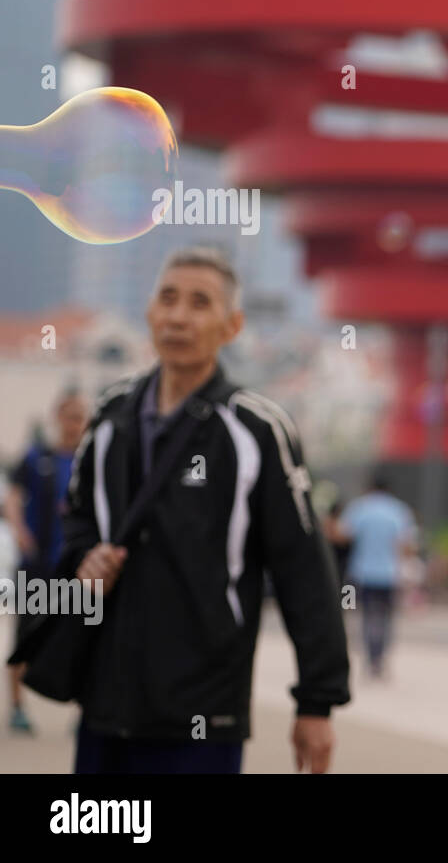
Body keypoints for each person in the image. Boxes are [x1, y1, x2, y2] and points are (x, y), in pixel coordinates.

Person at [16, 246, 350, 773]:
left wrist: (317, 701)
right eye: (168, 299)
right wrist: (85, 562)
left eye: (200, 303)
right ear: (149, 313)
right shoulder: (108, 416)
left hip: (202, 714)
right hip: (104, 703)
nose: (178, 315)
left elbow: (304, 571)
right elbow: (78, 517)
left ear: (232, 325)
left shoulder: (257, 430)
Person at [5, 391, 89, 734]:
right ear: (57, 417)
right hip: (37, 567)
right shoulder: (36, 458)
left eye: (80, 417)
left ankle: (84, 709)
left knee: (84, 639)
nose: (74, 424)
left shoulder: (92, 461)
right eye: (69, 416)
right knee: (25, 640)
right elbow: (13, 496)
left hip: (79, 572)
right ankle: (18, 708)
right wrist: (19, 528)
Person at [340, 473, 417, 679]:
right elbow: (406, 544)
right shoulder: (399, 510)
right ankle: (380, 659)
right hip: (390, 575)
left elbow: (344, 535)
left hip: (363, 572)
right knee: (386, 619)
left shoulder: (360, 508)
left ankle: (370, 657)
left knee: (367, 617)